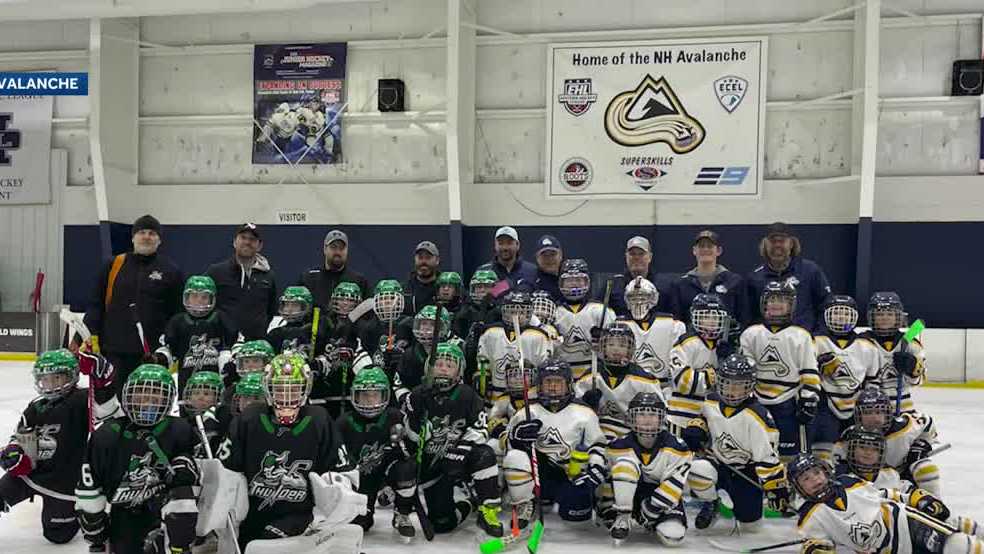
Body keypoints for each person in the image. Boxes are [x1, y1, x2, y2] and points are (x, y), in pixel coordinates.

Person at [218, 352, 364, 551]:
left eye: (294, 389)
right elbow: (225, 472)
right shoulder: (248, 419)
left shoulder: (319, 420)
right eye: (280, 389)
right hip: (253, 514)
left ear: (306, 389)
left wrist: (336, 493)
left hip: (301, 516)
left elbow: (343, 472)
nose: (286, 398)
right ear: (268, 389)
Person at [76, 363, 200, 554]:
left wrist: (188, 467)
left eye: (155, 395)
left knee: (183, 499)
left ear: (168, 398)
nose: (147, 401)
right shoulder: (107, 435)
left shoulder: (181, 430)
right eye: (140, 393)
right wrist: (94, 526)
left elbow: (199, 479)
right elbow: (89, 483)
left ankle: (178, 548)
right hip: (123, 513)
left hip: (164, 511)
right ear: (127, 395)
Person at [0, 350, 117, 545]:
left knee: (57, 535)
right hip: (32, 474)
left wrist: (102, 378)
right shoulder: (36, 406)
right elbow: (20, 435)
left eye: (56, 378)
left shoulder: (83, 399)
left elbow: (107, 412)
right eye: (45, 379)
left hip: (65, 483)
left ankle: (80, 513)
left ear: (71, 376)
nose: (50, 384)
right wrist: (14, 453)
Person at [399, 342, 504, 536]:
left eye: (449, 365)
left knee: (485, 455)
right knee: (442, 525)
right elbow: (410, 436)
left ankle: (488, 512)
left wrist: (459, 452)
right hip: (433, 465)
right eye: (438, 364)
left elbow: (480, 430)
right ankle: (468, 504)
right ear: (428, 368)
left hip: (460, 459)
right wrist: (417, 418)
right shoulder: (416, 395)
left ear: (459, 371)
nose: (443, 369)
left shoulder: (467, 395)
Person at [789, 454, 984, 554]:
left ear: (825, 471)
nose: (815, 480)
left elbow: (885, 494)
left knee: (956, 546)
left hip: (905, 523)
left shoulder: (849, 482)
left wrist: (915, 498)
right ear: (799, 488)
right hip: (888, 550)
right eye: (806, 479)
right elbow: (818, 544)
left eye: (816, 473)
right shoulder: (809, 518)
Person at [683, 354, 788, 532]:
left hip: (746, 472)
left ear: (749, 386)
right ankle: (711, 502)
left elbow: (767, 456)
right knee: (697, 470)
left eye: (739, 386)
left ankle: (745, 508)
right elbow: (703, 419)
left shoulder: (758, 416)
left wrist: (775, 487)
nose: (732, 390)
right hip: (718, 463)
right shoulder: (711, 401)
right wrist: (697, 428)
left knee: (751, 527)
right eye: (727, 383)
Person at [82, 214, 185, 393]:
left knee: (148, 402)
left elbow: (177, 313)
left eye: (152, 233)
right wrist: (90, 335)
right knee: (113, 402)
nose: (146, 236)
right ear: (133, 237)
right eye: (142, 232)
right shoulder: (113, 265)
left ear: (159, 240)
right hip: (114, 350)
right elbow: (96, 303)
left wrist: (169, 347)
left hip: (150, 355)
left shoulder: (171, 270)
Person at [501, 359, 607, 529]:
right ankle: (523, 503)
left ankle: (566, 498)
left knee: (577, 519)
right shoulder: (528, 411)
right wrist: (515, 436)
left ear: (569, 385)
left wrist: (595, 467)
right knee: (515, 456)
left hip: (571, 476)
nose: (552, 387)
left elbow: (598, 445)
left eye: (558, 382)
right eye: (547, 382)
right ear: (539, 385)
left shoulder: (584, 413)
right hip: (540, 473)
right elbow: (504, 441)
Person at [740, 281, 820, 460]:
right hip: (757, 402)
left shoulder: (801, 336)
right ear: (764, 303)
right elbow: (745, 370)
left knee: (791, 455)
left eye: (782, 300)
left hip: (789, 402)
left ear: (791, 305)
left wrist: (809, 399)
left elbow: (810, 372)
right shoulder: (751, 334)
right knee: (758, 451)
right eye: (772, 299)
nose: (776, 303)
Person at [337, 367, 421, 539]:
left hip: (387, 472)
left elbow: (411, 453)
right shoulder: (344, 422)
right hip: (360, 481)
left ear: (385, 395)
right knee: (361, 525)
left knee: (408, 468)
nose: (369, 400)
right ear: (355, 395)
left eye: (374, 395)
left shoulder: (396, 417)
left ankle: (402, 512)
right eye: (364, 395)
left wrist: (402, 444)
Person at [605, 393, 692, 545]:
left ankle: (654, 520)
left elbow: (674, 483)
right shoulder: (617, 446)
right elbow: (608, 481)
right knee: (624, 465)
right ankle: (623, 517)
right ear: (632, 417)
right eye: (641, 414)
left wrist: (652, 509)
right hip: (630, 497)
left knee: (673, 537)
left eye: (652, 414)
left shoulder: (678, 446)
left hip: (660, 497)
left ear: (661, 418)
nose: (646, 419)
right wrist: (605, 507)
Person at [836, 388, 942, 496]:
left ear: (887, 413)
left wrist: (922, 445)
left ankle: (934, 502)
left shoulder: (904, 427)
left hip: (903, 472)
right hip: (870, 477)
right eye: (867, 412)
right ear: (858, 415)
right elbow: (838, 460)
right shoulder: (849, 435)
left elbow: (928, 424)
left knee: (925, 468)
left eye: (878, 412)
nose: (874, 418)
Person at [812, 295, 881, 462]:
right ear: (826, 315)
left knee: (855, 447)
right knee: (822, 449)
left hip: (856, 405)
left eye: (845, 313)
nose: (841, 317)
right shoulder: (815, 341)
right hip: (824, 404)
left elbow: (873, 382)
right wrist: (816, 367)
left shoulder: (867, 345)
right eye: (836, 313)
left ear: (854, 316)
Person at [574, 321, 664, 442]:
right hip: (596, 433)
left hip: (631, 436)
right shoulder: (590, 377)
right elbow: (574, 411)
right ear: (603, 347)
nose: (616, 349)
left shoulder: (645, 380)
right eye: (611, 344)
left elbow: (660, 414)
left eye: (622, 345)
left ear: (630, 349)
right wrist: (585, 403)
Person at [151, 275, 239, 396]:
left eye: (204, 297)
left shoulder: (221, 319)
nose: (199, 300)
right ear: (186, 297)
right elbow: (168, 349)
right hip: (186, 381)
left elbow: (236, 344)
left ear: (212, 299)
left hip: (215, 382)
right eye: (194, 296)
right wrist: (159, 358)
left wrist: (232, 362)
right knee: (187, 411)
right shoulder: (177, 321)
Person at [665, 293, 732, 433]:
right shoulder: (686, 343)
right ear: (696, 318)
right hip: (680, 414)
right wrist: (716, 375)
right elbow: (682, 381)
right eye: (706, 316)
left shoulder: (723, 346)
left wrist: (729, 360)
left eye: (715, 316)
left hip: (710, 414)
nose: (711, 321)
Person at [746, 222, 832, 331]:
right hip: (768, 342)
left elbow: (826, 305)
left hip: (804, 340)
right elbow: (750, 316)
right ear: (765, 244)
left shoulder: (810, 270)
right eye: (773, 241)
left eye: (782, 241)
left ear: (791, 244)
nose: (777, 245)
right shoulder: (755, 278)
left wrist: (818, 336)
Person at [476, 291, 553, 403]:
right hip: (495, 394)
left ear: (529, 313)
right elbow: (483, 362)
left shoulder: (539, 336)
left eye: (521, 312)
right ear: (504, 312)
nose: (516, 316)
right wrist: (482, 378)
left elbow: (544, 366)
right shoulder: (490, 333)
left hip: (528, 396)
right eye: (512, 311)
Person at [205, 223, 278, 340]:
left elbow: (270, 310)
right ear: (234, 242)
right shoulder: (216, 272)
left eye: (252, 239)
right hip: (223, 344)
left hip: (256, 347)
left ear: (259, 246)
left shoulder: (268, 276)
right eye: (243, 238)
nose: (247, 242)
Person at [860, 291, 925, 414]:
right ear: (872, 317)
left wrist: (912, 367)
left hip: (903, 407)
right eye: (880, 314)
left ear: (898, 317)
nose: (885, 317)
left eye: (890, 314)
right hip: (870, 409)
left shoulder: (910, 342)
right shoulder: (862, 341)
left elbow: (918, 381)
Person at [554, 258, 616, 380]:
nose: (574, 284)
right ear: (561, 283)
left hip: (595, 372)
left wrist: (604, 340)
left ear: (587, 282)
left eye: (578, 280)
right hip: (562, 375)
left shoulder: (600, 310)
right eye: (569, 280)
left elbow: (615, 344)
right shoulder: (555, 312)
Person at [621, 276, 686, 389]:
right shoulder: (619, 325)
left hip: (664, 387)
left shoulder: (673, 325)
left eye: (643, 297)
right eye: (634, 297)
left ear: (653, 298)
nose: (638, 301)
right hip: (629, 387)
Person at [670, 230, 745, 327]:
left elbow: (743, 317)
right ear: (694, 250)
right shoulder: (681, 284)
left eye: (710, 246)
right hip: (692, 340)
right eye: (701, 246)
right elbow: (677, 321)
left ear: (719, 251)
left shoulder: (734, 281)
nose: (705, 249)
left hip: (726, 339)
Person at [299, 229, 371, 311]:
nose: (337, 252)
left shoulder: (359, 280)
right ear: (325, 249)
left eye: (341, 248)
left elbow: (366, 313)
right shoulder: (308, 278)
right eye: (333, 247)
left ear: (347, 251)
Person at [611, 236, 676, 319]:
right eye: (632, 254)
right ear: (626, 256)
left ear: (650, 257)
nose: (636, 257)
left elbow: (675, 318)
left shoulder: (666, 286)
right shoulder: (612, 286)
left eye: (641, 254)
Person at [516, 234, 564, 302]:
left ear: (561, 255)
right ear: (537, 258)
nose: (549, 259)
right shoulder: (530, 281)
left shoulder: (569, 278)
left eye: (553, 254)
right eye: (544, 255)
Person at [405, 240, 441, 316]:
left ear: (437, 260)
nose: (423, 261)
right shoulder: (405, 289)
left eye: (428, 258)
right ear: (415, 259)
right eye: (420, 257)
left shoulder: (446, 287)